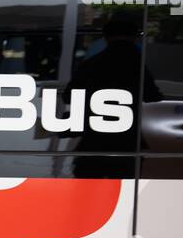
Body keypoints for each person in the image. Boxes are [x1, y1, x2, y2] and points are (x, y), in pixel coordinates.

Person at [66, 14, 163, 178]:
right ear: (134, 37)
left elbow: (68, 97)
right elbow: (152, 96)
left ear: (105, 37)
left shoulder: (92, 63)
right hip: (126, 143)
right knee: (124, 193)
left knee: (86, 193)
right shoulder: (138, 64)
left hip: (93, 141)